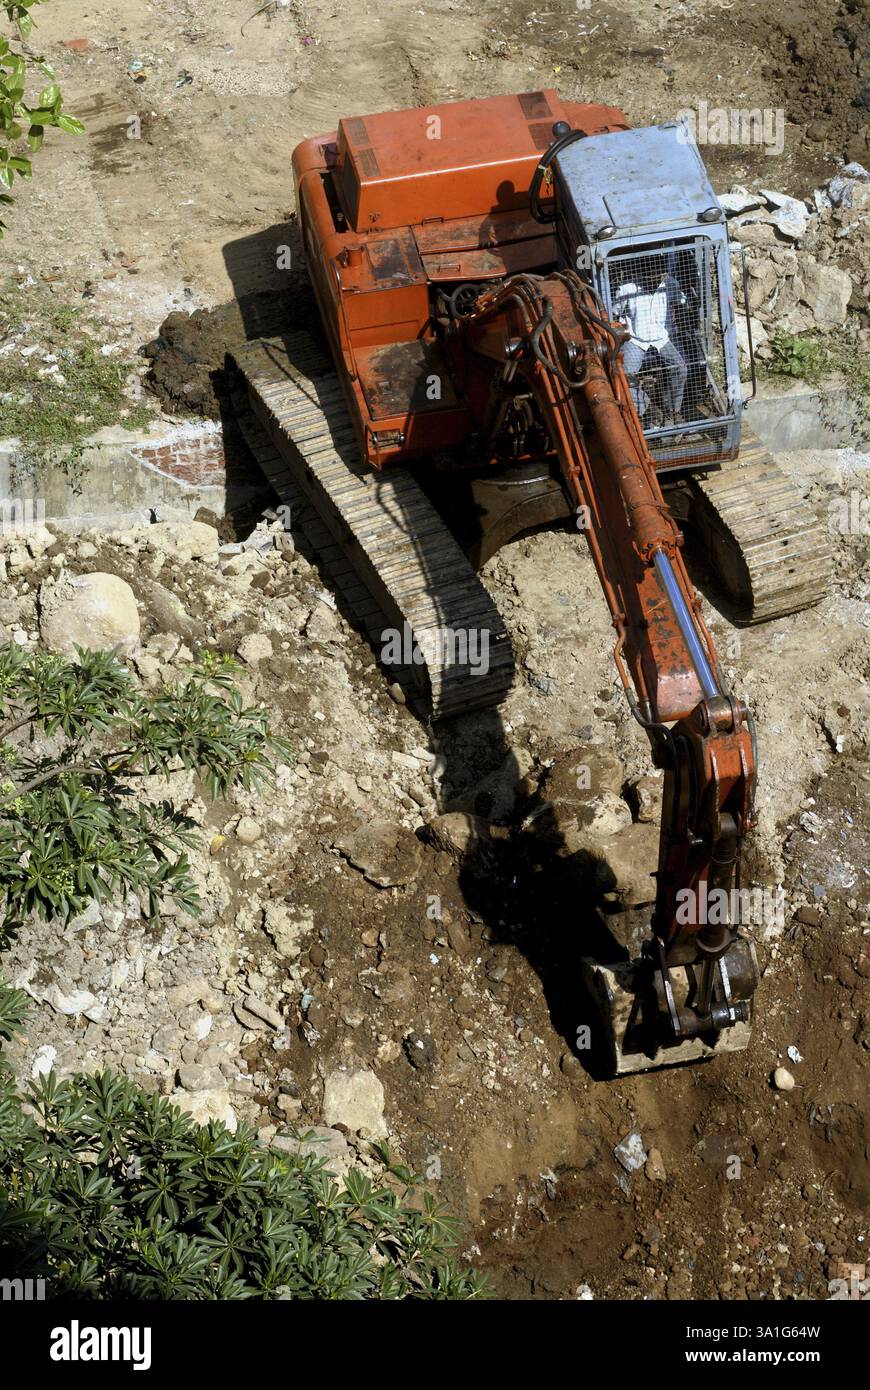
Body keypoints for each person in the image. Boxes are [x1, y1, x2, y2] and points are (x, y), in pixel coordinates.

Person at [612, 257, 689, 426]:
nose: (654, 283)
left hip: (662, 338)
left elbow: (682, 302)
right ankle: (645, 408)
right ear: (642, 275)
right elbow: (615, 312)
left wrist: (683, 312)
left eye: (658, 279)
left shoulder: (670, 284)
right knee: (625, 377)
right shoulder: (627, 288)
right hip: (636, 339)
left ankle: (671, 409)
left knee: (681, 369)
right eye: (650, 279)